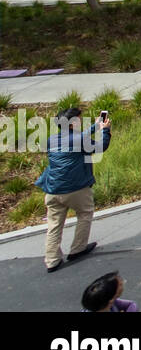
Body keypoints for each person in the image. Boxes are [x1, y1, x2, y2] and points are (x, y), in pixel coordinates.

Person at [36, 105, 111, 273]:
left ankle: (52, 260)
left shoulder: (52, 139)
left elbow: (76, 138)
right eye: (78, 119)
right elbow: (100, 147)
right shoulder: (79, 140)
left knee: (54, 224)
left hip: (52, 189)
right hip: (75, 188)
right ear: (71, 124)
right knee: (85, 213)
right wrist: (105, 130)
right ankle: (77, 249)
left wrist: (96, 125)